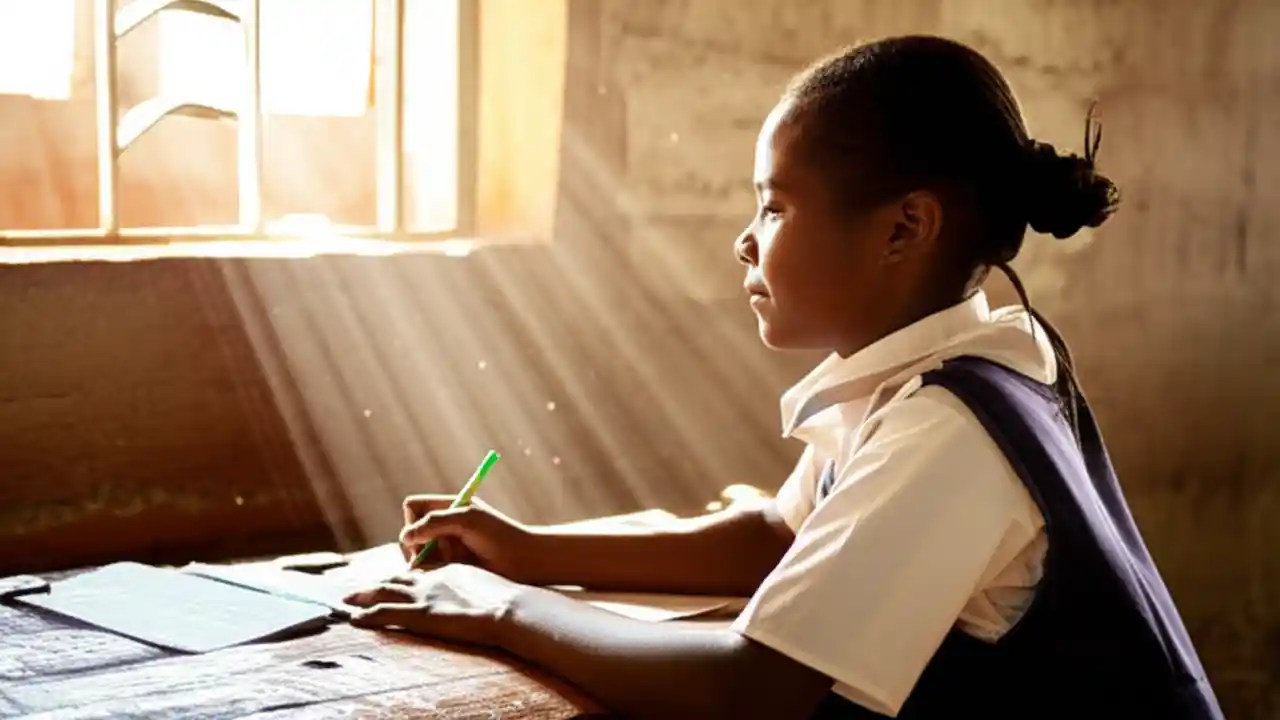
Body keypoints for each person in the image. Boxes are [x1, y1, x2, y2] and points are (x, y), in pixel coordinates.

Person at [344, 35, 1223, 719]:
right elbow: (782, 533)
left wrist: (500, 608)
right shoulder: (949, 366)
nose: (746, 238)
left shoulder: (953, 428)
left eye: (774, 205)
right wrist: (534, 552)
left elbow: (749, 694)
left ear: (903, 229)